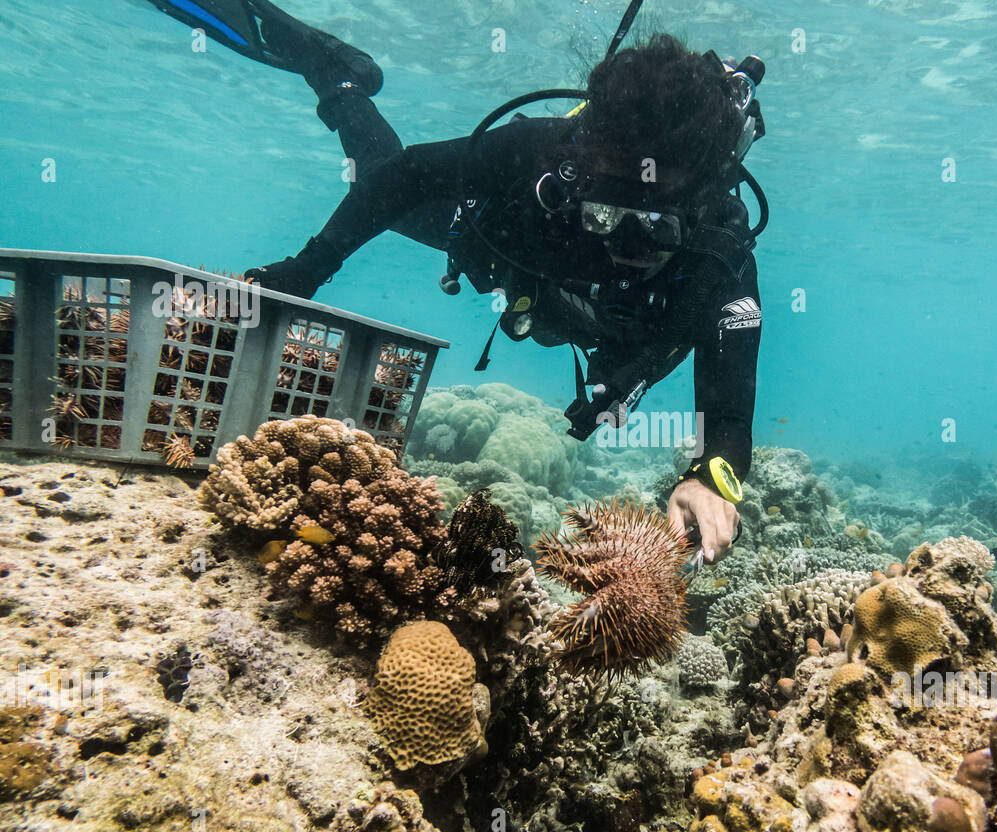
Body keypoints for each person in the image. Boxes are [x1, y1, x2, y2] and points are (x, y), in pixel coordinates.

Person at [148, 0, 768, 563]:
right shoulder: (544, 153)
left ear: (700, 199)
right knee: (374, 170)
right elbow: (403, 176)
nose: (625, 246)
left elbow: (730, 410)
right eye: (605, 216)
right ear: (583, 170)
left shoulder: (721, 252)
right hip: (503, 256)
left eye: (654, 230)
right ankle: (336, 74)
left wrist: (711, 480)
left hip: (552, 292)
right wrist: (304, 271)